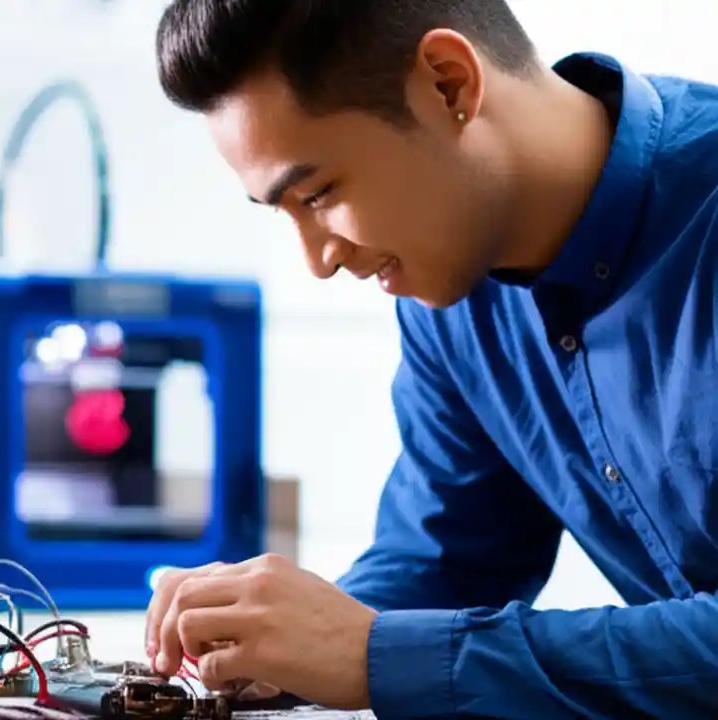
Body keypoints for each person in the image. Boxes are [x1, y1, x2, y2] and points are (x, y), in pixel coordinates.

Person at [143, 1, 718, 717]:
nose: (319, 260)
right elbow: (446, 566)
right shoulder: (450, 295)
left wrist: (371, 654)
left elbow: (393, 647)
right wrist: (277, 644)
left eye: (319, 194)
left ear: (448, 85)